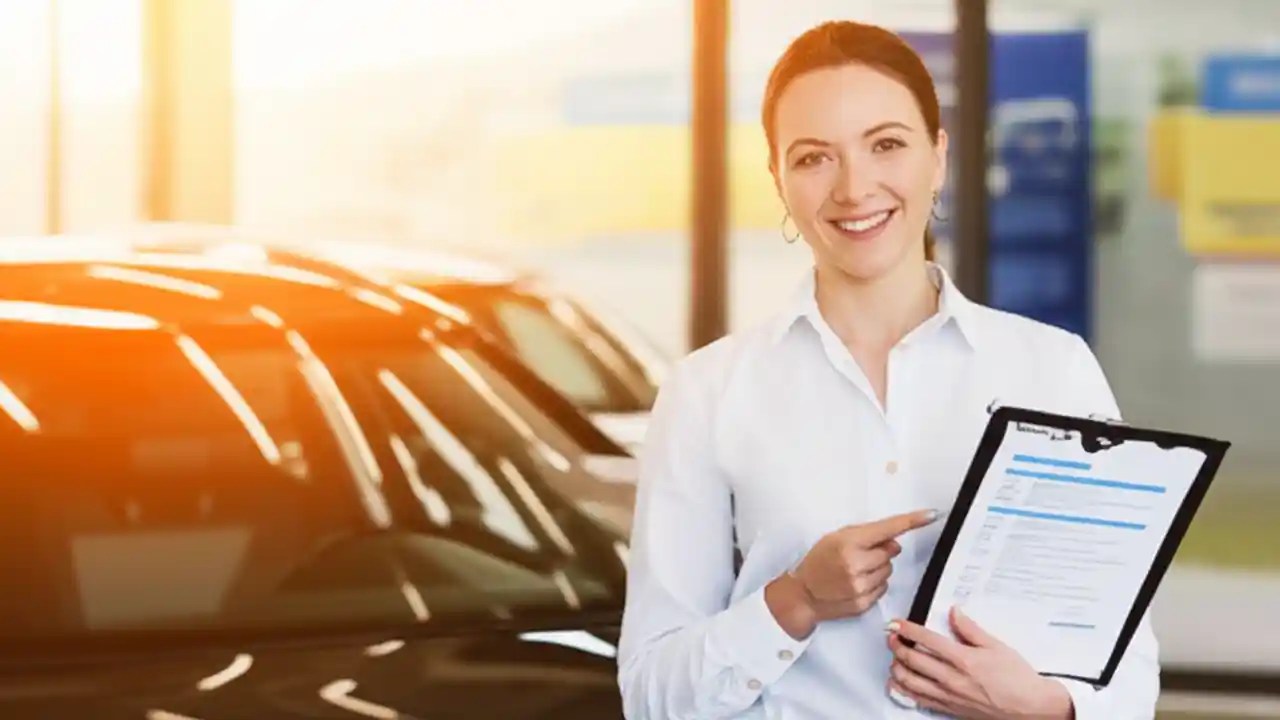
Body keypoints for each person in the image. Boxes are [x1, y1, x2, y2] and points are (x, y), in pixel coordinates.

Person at [616, 20, 1159, 720]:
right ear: (778, 178)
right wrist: (794, 601)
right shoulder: (708, 393)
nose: (854, 187)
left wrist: (1047, 708)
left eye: (887, 145)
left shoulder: (1053, 370)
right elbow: (653, 696)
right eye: (814, 158)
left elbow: (1128, 678)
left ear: (938, 156)